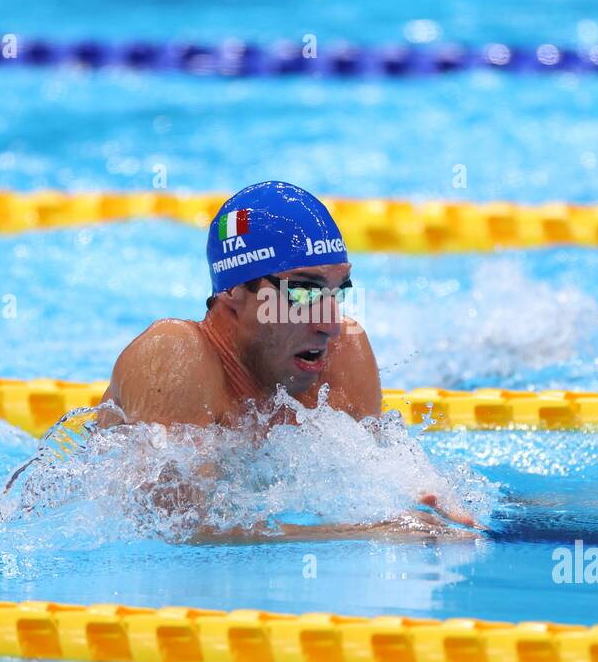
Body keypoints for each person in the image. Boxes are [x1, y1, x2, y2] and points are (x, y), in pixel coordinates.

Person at [98, 180, 479, 531]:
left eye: (335, 292)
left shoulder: (344, 354)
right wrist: (363, 532)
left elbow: (381, 477)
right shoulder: (174, 354)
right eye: (303, 292)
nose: (329, 324)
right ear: (233, 289)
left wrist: (419, 489)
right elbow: (178, 527)